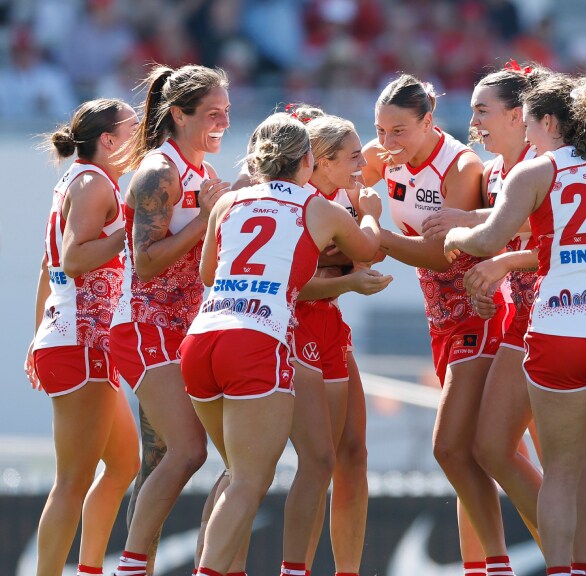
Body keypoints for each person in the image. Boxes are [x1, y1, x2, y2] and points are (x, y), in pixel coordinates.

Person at [444, 74, 586, 576]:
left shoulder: (535, 172)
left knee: (561, 474)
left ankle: (565, 571)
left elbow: (487, 241)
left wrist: (455, 234)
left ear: (549, 121)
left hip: (557, 332)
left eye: (529, 123)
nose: (526, 134)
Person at [421, 62, 586, 574]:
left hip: (558, 315)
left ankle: (577, 562)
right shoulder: (497, 171)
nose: (473, 118)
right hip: (517, 317)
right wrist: (492, 279)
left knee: (553, 457)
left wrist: (479, 240)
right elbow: (511, 234)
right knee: (493, 450)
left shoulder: (539, 160)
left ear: (518, 114)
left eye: (483, 108)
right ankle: (566, 561)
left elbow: (551, 239)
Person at [181, 112, 382, 576]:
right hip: (255, 340)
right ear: (309, 160)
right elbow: (368, 248)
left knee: (237, 472)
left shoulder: (227, 202)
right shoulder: (318, 207)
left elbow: (209, 274)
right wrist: (370, 215)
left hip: (202, 339)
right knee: (251, 480)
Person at [361, 74, 514, 576]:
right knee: (483, 457)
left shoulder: (460, 166)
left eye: (399, 130)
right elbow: (345, 186)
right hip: (442, 317)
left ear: (429, 121)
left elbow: (443, 255)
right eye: (380, 130)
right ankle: (497, 566)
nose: (386, 143)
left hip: (482, 309)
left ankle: (543, 561)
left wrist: (374, 236)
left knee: (453, 448)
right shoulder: (382, 154)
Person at [108, 64, 232, 576]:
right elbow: (147, 260)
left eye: (227, 112)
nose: (223, 122)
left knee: (162, 462)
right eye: (211, 113)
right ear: (178, 114)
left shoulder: (201, 174)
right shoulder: (162, 170)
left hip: (181, 330)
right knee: (189, 450)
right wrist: (208, 217)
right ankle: (131, 566)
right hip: (143, 325)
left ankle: (142, 564)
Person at [27, 98, 141, 576]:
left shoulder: (77, 180)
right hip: (82, 342)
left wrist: (37, 338)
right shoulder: (95, 183)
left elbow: (46, 267)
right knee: (72, 481)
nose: (142, 136)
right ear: (108, 140)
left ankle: (90, 569)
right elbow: (73, 259)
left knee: (123, 464)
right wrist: (134, 229)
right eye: (133, 128)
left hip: (72, 339)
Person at [289, 110, 393, 576]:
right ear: (323, 160)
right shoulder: (303, 201)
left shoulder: (339, 196)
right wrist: (349, 274)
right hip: (298, 327)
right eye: (353, 157)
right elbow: (290, 285)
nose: (362, 165)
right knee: (318, 462)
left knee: (353, 455)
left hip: (330, 324)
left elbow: (362, 256)